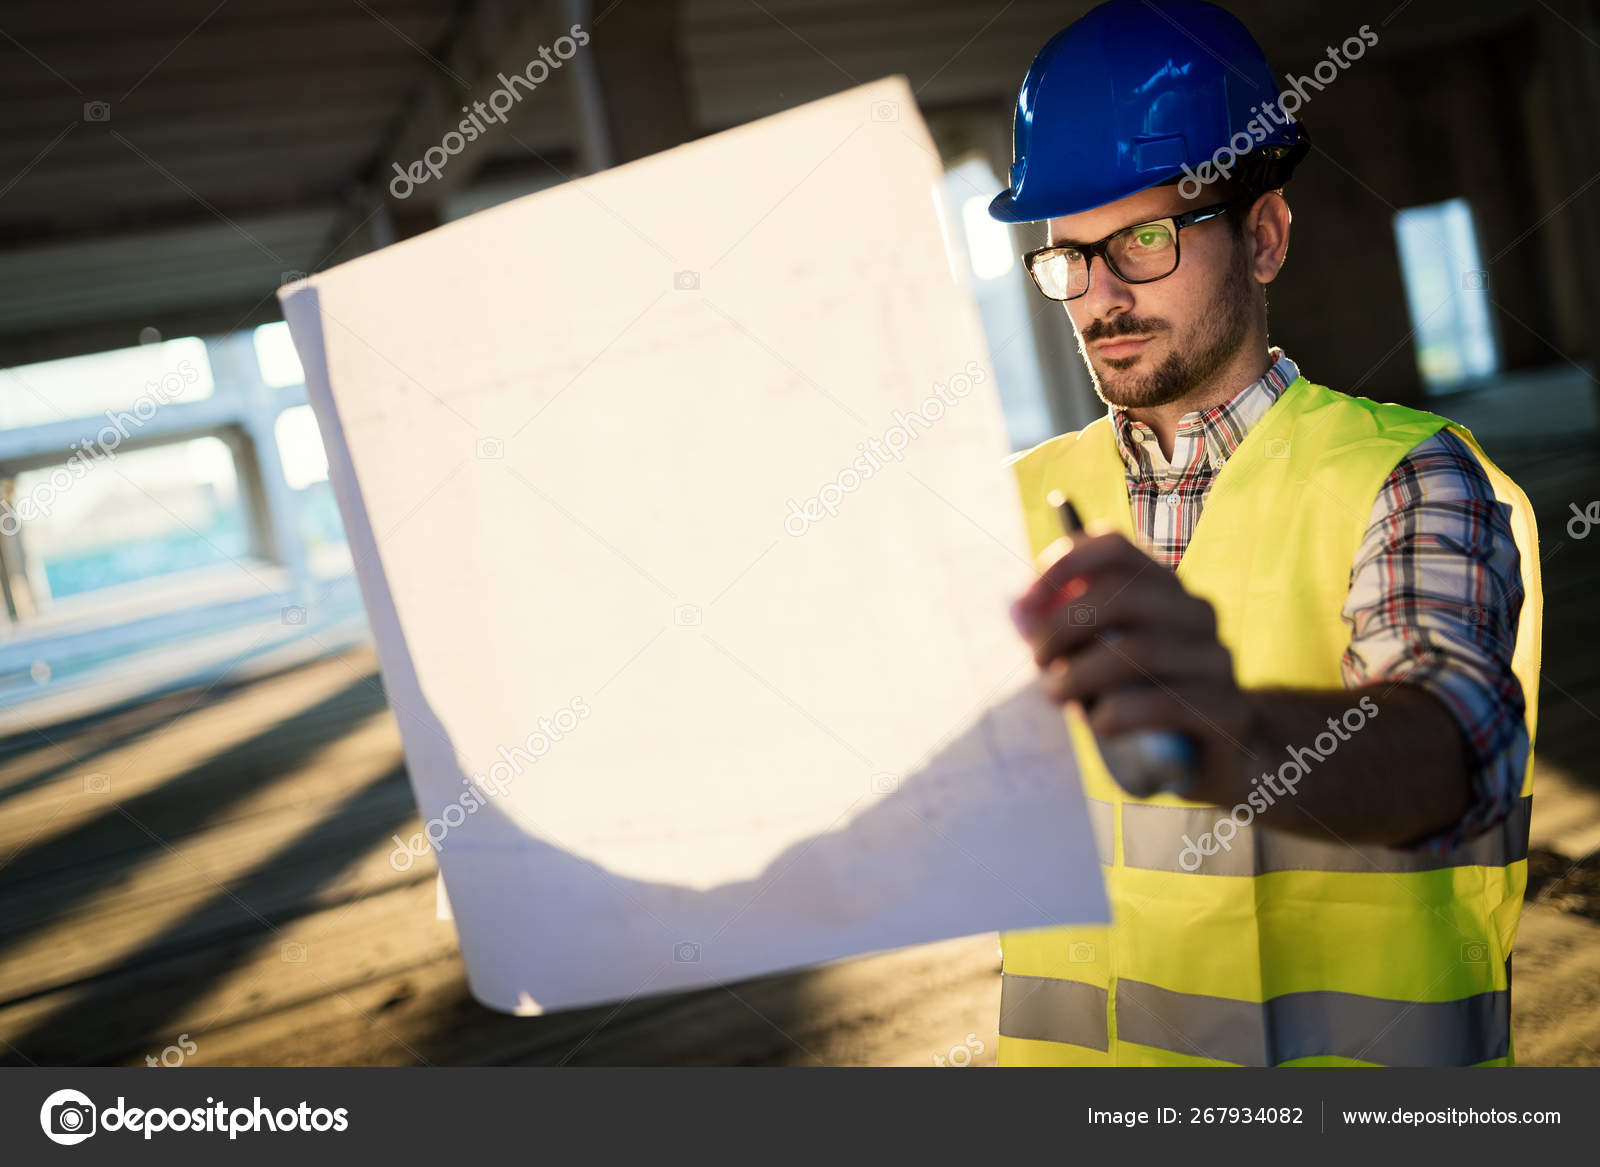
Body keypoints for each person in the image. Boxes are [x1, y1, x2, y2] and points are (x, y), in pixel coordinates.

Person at [990, 0, 1542, 1066]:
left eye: (1145, 238)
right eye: (1068, 258)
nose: (1100, 293)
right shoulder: (1004, 509)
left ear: (1265, 235)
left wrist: (1225, 729)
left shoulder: (1406, 474)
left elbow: (1453, 749)